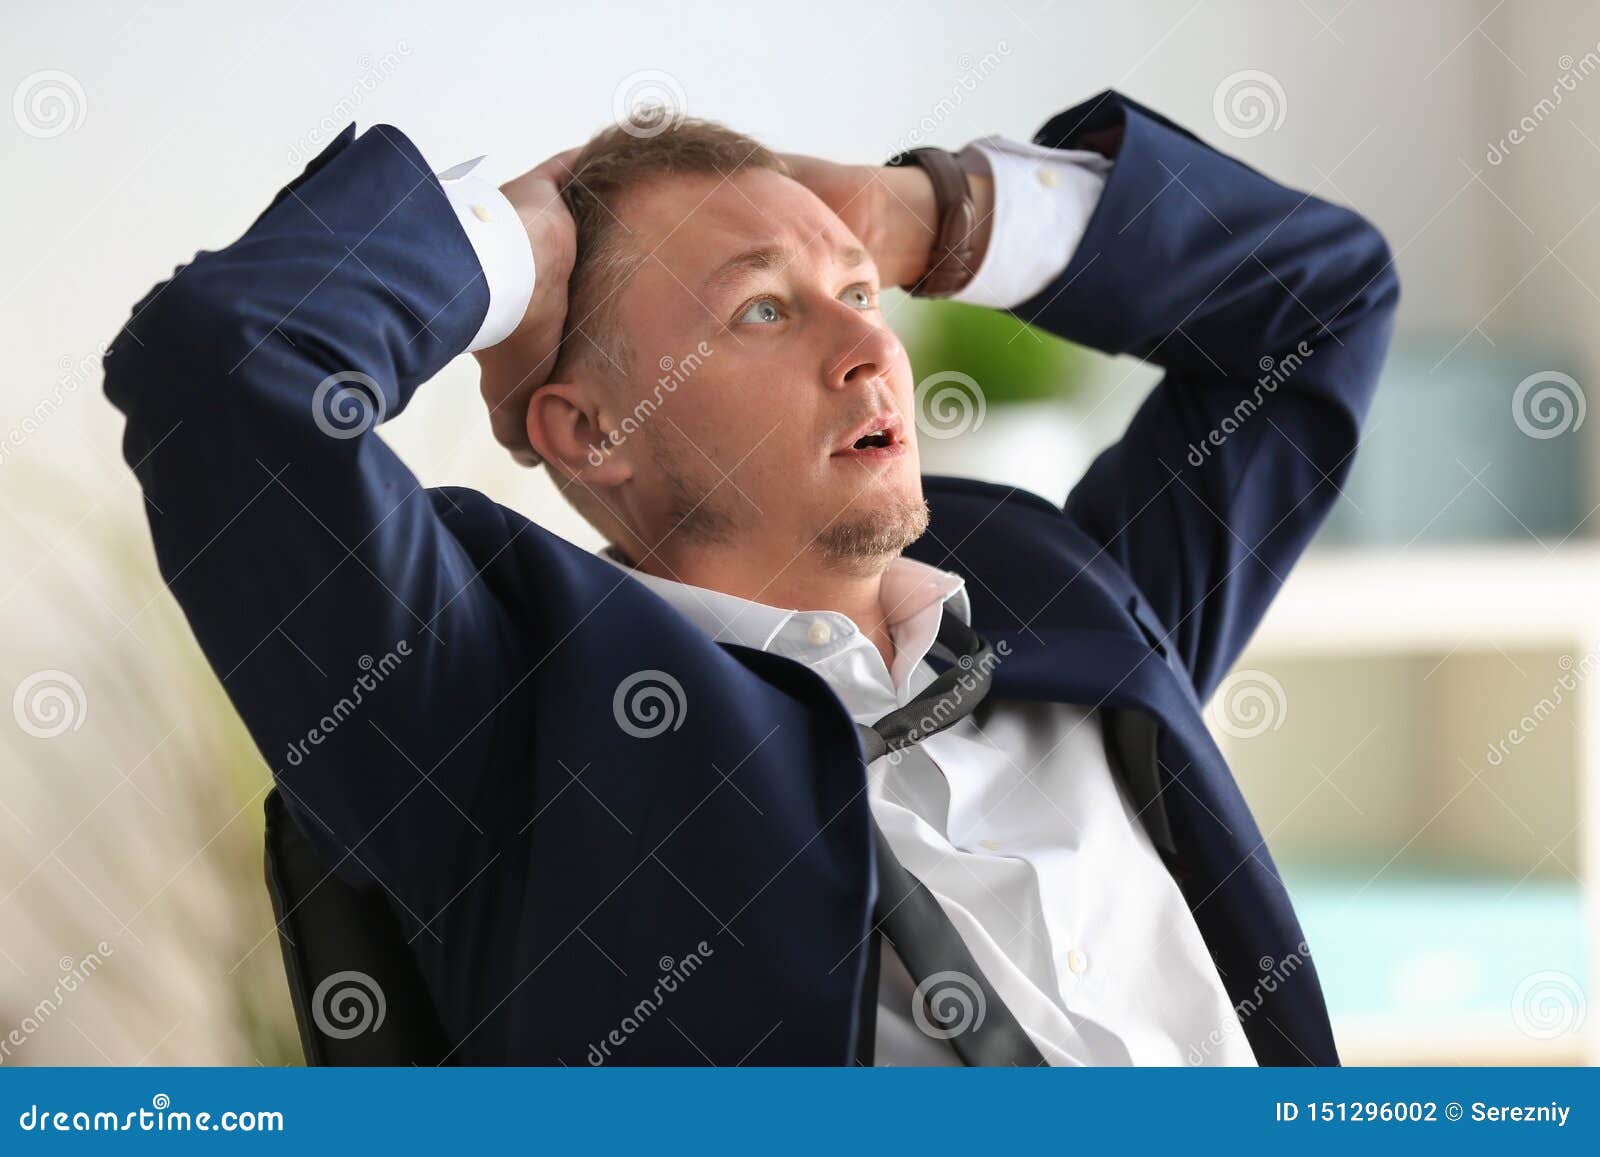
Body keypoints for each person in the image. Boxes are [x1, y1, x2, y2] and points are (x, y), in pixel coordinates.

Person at [103, 89, 1399, 1066]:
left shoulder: (1062, 595)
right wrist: (510, 245)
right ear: (587, 431)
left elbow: (1319, 304)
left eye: (862, 293)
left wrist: (936, 217)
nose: (865, 349)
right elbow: (224, 375)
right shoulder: (500, 708)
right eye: (764, 313)